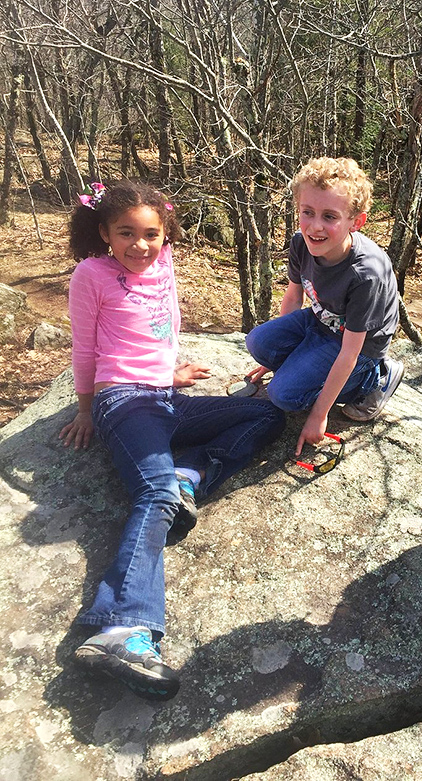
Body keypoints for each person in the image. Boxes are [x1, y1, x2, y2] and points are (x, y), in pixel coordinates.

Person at [60, 180, 285, 700]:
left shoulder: (164, 265)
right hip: (124, 402)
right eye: (126, 234)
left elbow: (165, 328)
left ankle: (188, 474)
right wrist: (87, 410)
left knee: (263, 416)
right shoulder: (91, 274)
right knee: (153, 496)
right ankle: (121, 628)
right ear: (104, 232)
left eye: (151, 234)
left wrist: (172, 370)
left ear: (165, 233)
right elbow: (86, 347)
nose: (140, 246)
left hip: (166, 397)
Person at [245, 157, 403, 456]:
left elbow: (350, 351)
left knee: (283, 395)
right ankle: (302, 364)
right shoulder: (300, 243)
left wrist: (318, 415)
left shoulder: (365, 274)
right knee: (257, 342)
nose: (315, 226)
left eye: (330, 216)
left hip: (357, 346)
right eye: (308, 212)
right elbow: (294, 297)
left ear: (356, 221)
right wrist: (275, 360)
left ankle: (376, 379)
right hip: (320, 322)